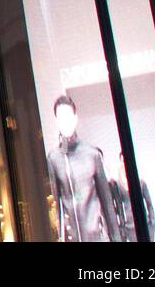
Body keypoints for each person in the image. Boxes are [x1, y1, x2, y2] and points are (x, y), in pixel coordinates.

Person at [45, 95, 121, 242]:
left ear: (75, 118)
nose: (65, 121)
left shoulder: (92, 155)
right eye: (60, 117)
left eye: (67, 116)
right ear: (56, 122)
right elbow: (56, 205)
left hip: (97, 237)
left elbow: (107, 203)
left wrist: (116, 238)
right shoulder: (54, 159)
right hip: (72, 237)